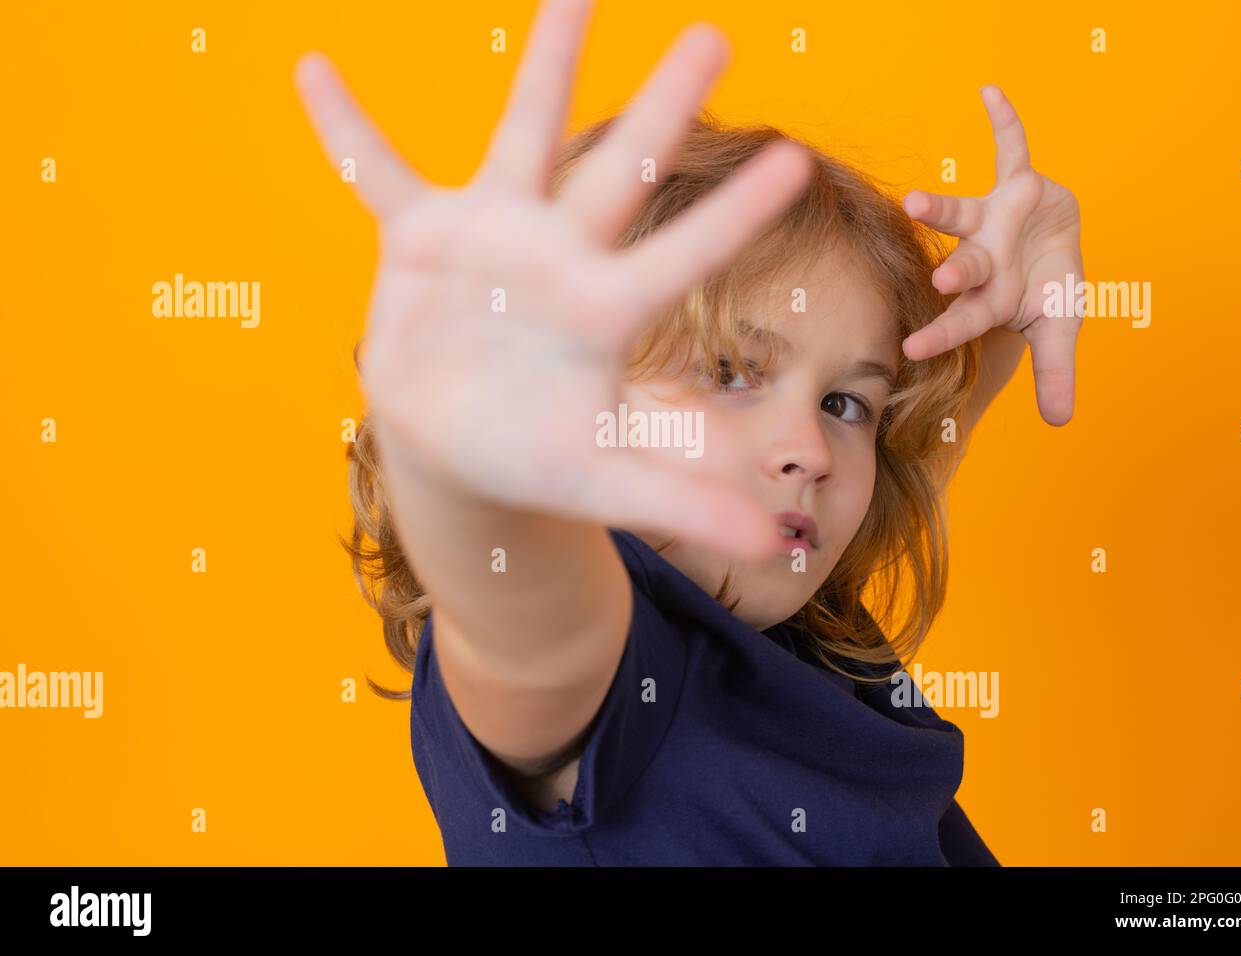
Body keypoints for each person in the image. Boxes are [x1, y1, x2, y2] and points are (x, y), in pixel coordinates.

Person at [293, 0, 1083, 864]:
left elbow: (921, 440)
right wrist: (467, 467)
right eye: (728, 373)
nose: (809, 451)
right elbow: (518, 607)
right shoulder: (602, 665)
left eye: (844, 404)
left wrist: (1011, 314)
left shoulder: (795, 623)